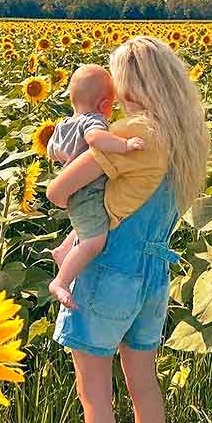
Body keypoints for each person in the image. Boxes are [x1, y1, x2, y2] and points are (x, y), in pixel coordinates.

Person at [46, 36, 209, 423]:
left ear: (129, 82)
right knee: (143, 385)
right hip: (154, 273)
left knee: (95, 395)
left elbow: (60, 190)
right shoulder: (183, 137)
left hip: (108, 272)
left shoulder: (133, 131)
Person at [46, 64, 145, 310]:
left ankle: (62, 251)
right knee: (94, 242)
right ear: (104, 105)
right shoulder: (94, 121)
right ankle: (61, 281)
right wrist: (125, 144)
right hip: (86, 190)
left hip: (76, 189)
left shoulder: (64, 124)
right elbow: (94, 139)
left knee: (89, 224)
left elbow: (53, 151)